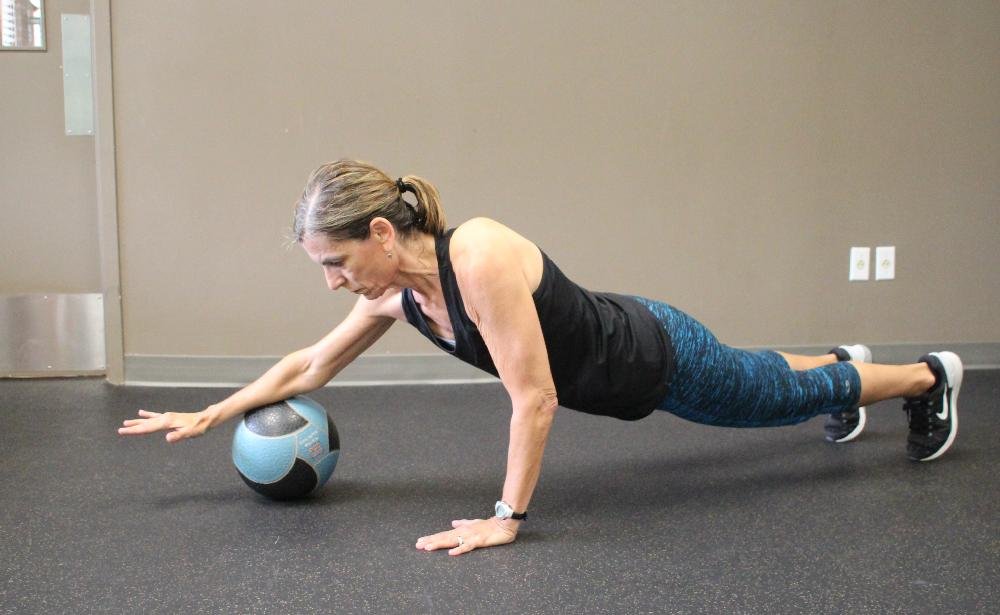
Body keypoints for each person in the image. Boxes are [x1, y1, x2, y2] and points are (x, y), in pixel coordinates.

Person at [119, 159, 963, 557]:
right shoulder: (396, 294)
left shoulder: (477, 254)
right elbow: (309, 366)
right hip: (637, 350)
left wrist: (506, 516)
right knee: (770, 374)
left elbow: (535, 398)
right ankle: (839, 365)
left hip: (655, 362)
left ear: (381, 232)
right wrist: (214, 411)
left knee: (773, 397)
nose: (333, 282)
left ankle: (928, 376)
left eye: (336, 263)